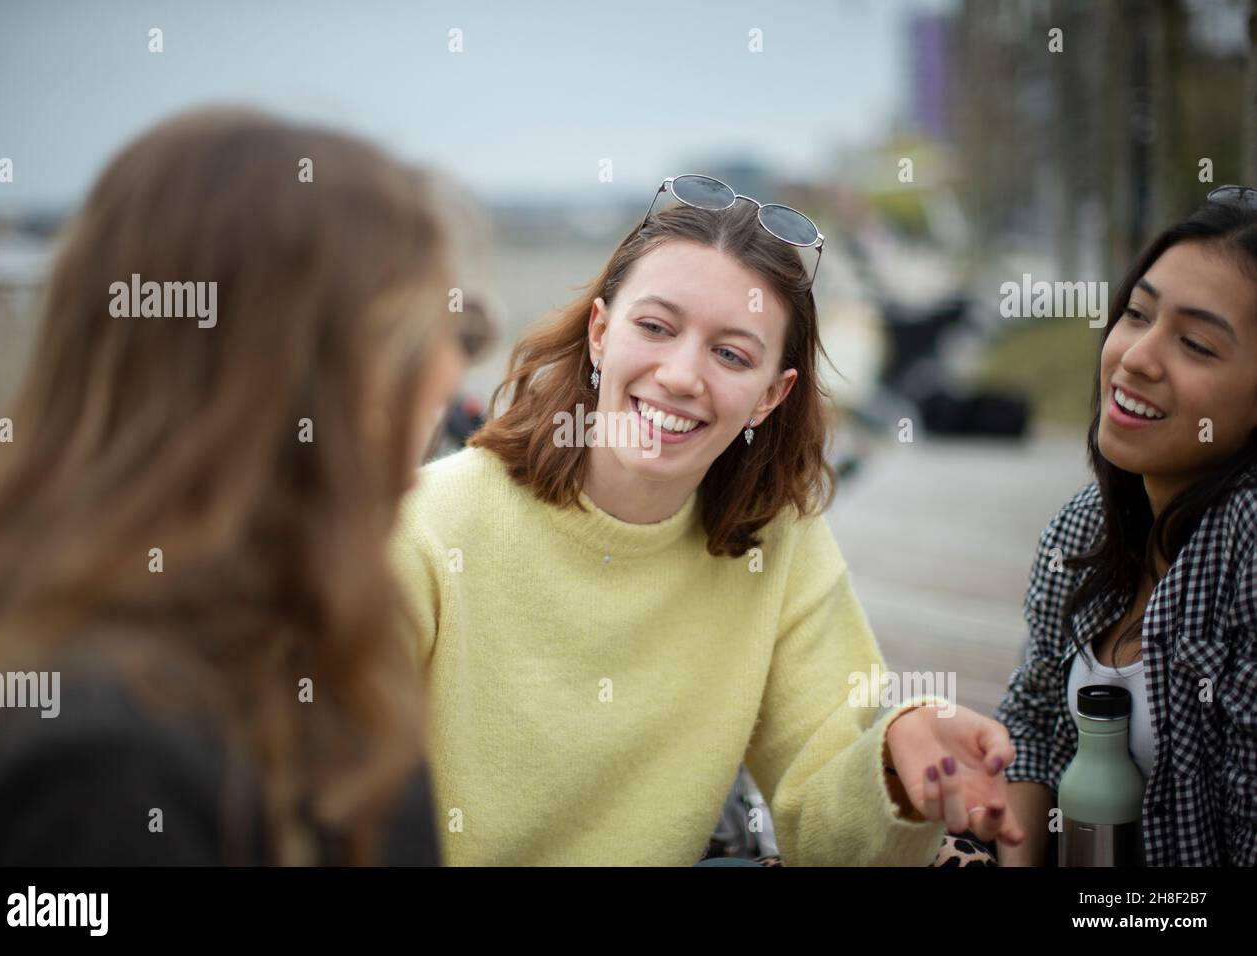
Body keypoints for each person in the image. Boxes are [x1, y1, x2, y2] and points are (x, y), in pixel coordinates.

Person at [389, 174, 1025, 866]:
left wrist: (897, 773)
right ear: (601, 332)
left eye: (731, 355)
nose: (682, 376)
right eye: (656, 328)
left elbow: (825, 825)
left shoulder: (776, 542)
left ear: (770, 396)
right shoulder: (425, 526)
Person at [0, 107, 487, 865]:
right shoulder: (105, 762)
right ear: (298, 400)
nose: (409, 477)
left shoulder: (279, 642)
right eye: (406, 411)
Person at [994, 186, 1257, 866]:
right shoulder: (1085, 526)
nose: (1137, 357)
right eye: (1138, 314)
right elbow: (1035, 722)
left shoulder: (1248, 542)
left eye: (1196, 344)